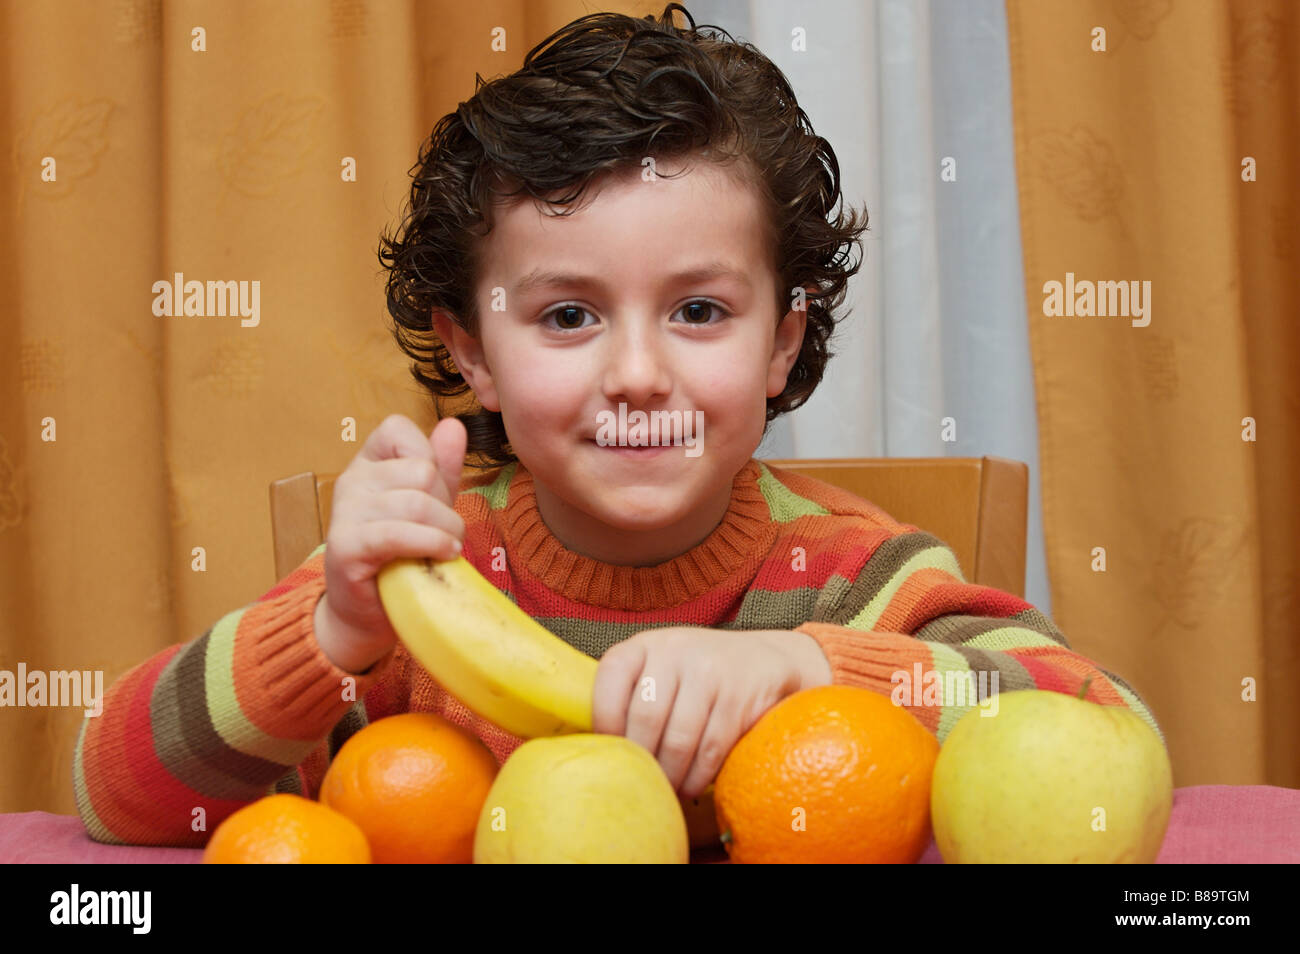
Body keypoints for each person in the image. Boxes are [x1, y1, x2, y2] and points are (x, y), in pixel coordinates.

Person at [73, 3, 1163, 847]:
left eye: (698, 311)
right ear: (471, 352)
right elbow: (109, 795)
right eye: (567, 315)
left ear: (780, 341)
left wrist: (812, 671)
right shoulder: (419, 581)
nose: (637, 374)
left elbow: (1102, 722)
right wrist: (329, 640)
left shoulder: (852, 579)